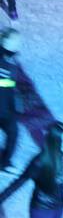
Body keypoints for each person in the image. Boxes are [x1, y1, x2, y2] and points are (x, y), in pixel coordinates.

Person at [0, 26, 21, 170]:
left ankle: (5, 162)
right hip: (3, 107)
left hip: (6, 105)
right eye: (16, 42)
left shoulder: (9, 57)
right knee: (12, 132)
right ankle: (4, 163)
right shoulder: (5, 61)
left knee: (13, 133)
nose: (18, 44)